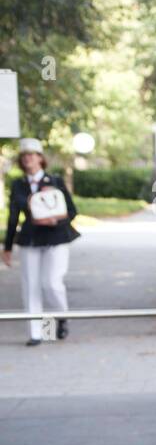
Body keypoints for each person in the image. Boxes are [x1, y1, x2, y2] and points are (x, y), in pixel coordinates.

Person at [4, 137, 80, 345]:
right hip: (31, 239)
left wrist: (55, 219)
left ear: (40, 158)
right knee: (31, 287)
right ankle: (38, 333)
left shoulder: (54, 181)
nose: (27, 159)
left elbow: (72, 211)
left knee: (51, 284)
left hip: (56, 237)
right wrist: (7, 247)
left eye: (31, 154)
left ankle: (62, 317)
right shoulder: (19, 185)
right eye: (24, 156)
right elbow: (13, 217)